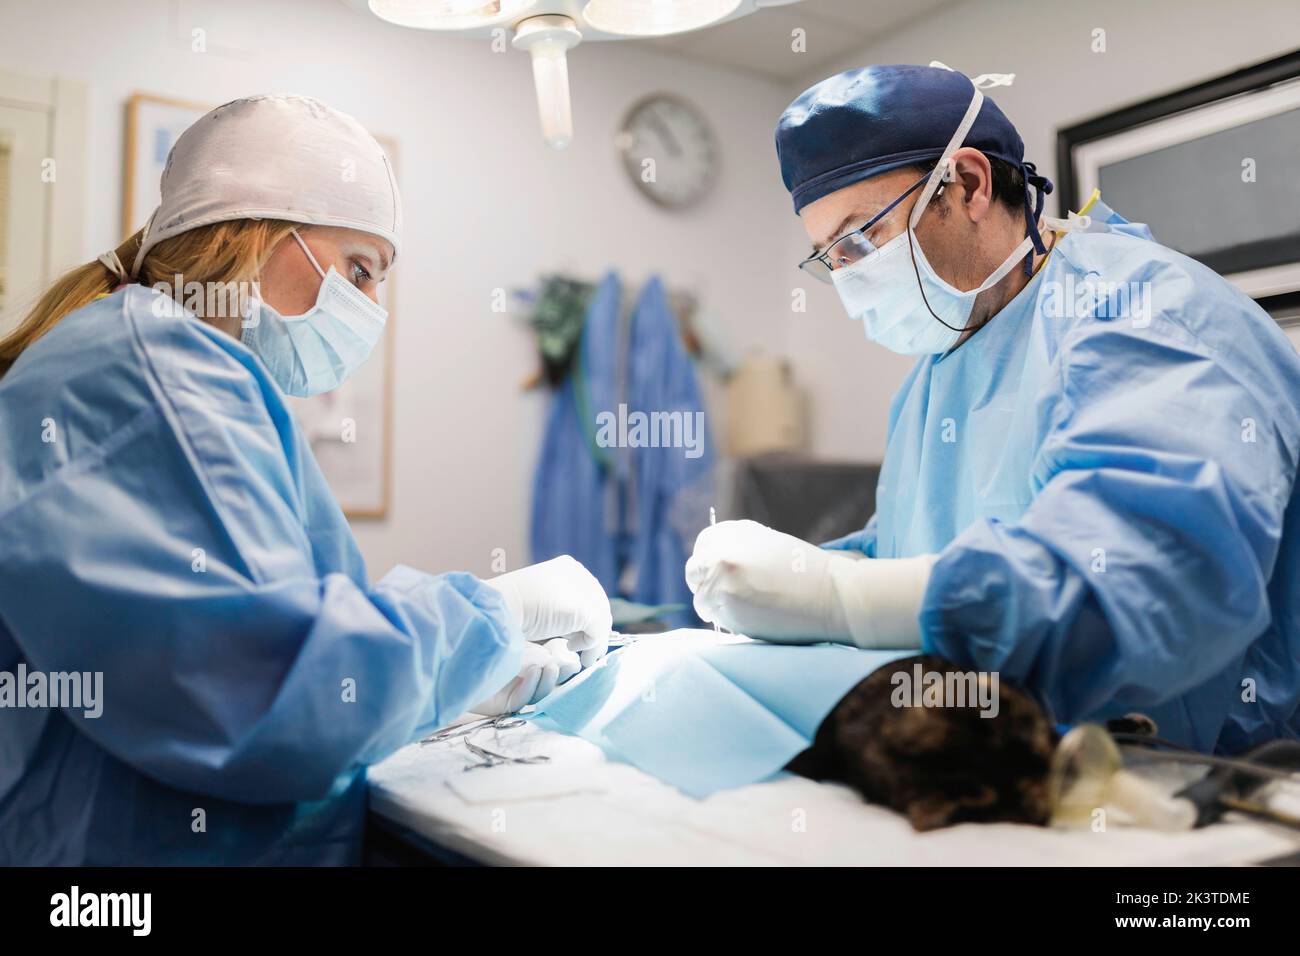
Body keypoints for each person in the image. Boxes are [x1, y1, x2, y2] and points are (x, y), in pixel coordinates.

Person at [0, 95, 611, 864]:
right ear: (253, 235)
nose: (373, 308)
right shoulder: (150, 377)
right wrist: (488, 614)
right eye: (360, 269)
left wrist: (450, 685)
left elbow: (259, 627)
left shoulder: (161, 368)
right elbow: (266, 694)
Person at [687, 63, 1300, 756]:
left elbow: (1146, 586)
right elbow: (912, 552)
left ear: (970, 184)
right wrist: (795, 573)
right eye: (830, 255)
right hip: (993, 767)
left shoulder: (1148, 315)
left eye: (862, 236)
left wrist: (839, 597)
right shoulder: (938, 372)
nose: (849, 275)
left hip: (1196, 786)